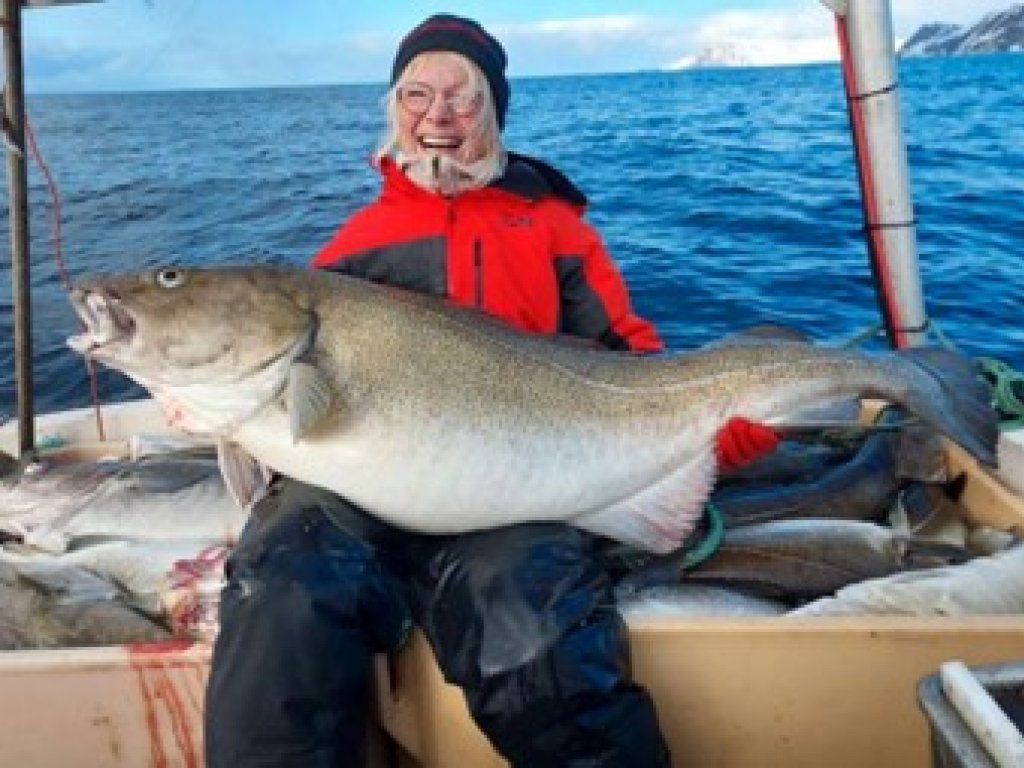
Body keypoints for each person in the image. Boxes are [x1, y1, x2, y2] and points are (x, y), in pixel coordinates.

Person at [205, 14, 780, 768]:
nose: (436, 117)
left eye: (462, 97)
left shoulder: (557, 230)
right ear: (393, 110)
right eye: (416, 95)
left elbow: (631, 360)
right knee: (281, 590)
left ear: (494, 112)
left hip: (508, 489)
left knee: (530, 619)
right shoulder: (348, 253)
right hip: (353, 490)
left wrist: (710, 429)